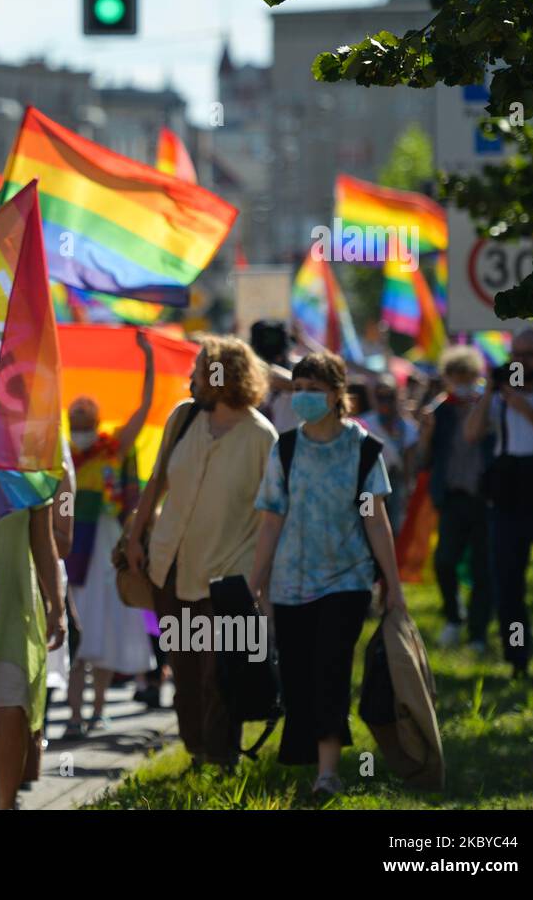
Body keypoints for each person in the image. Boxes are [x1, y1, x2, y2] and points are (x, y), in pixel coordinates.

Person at [250, 352, 406, 796]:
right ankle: (311, 758)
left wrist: (393, 586)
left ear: (338, 394)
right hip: (290, 584)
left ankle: (327, 774)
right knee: (298, 676)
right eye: (297, 389)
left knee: (331, 670)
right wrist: (256, 581)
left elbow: (376, 520)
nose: (303, 397)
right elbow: (272, 519)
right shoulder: (286, 448)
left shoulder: (363, 449)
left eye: (314, 389)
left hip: (347, 581)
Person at [126, 334, 278, 766]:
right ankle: (196, 751)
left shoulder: (260, 436)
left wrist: (261, 581)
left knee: (220, 670)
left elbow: (272, 513)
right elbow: (156, 483)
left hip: (229, 576)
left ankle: (222, 758)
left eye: (198, 370)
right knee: (185, 669)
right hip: (171, 568)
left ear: (221, 375)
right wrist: (137, 539)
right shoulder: (184, 418)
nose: (191, 378)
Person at [63, 331, 159, 737]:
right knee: (76, 637)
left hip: (105, 549)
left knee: (104, 630)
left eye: (87, 418)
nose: (81, 423)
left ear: (98, 421)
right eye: (75, 419)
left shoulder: (112, 448)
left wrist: (149, 360)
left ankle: (97, 710)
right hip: (74, 552)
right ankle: (73, 716)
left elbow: (144, 409)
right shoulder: (61, 453)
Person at [463, 330, 533, 676]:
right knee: (509, 587)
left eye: (532, 355)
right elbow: (471, 434)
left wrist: (525, 409)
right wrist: (492, 391)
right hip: (508, 505)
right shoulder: (499, 394)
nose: (523, 362)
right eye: (517, 355)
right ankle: (518, 656)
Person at [0, 502, 65, 809]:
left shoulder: (30, 463)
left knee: (11, 706)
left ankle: (6, 802)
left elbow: (43, 539)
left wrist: (57, 604)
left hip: (14, 606)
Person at [418, 346, 492, 651]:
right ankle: (453, 616)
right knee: (445, 562)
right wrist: (425, 433)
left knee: (483, 568)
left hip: (487, 500)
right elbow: (424, 460)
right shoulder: (439, 411)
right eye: (456, 377)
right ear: (447, 378)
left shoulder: (490, 408)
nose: (462, 382)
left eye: (468, 376)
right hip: (452, 499)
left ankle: (478, 634)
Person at [363, 373, 419, 533]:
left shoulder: (408, 428)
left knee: (394, 528)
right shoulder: (363, 424)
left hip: (395, 485)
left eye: (390, 396)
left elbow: (409, 462)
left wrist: (409, 489)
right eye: (380, 397)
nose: (385, 402)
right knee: (365, 525)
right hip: (367, 487)